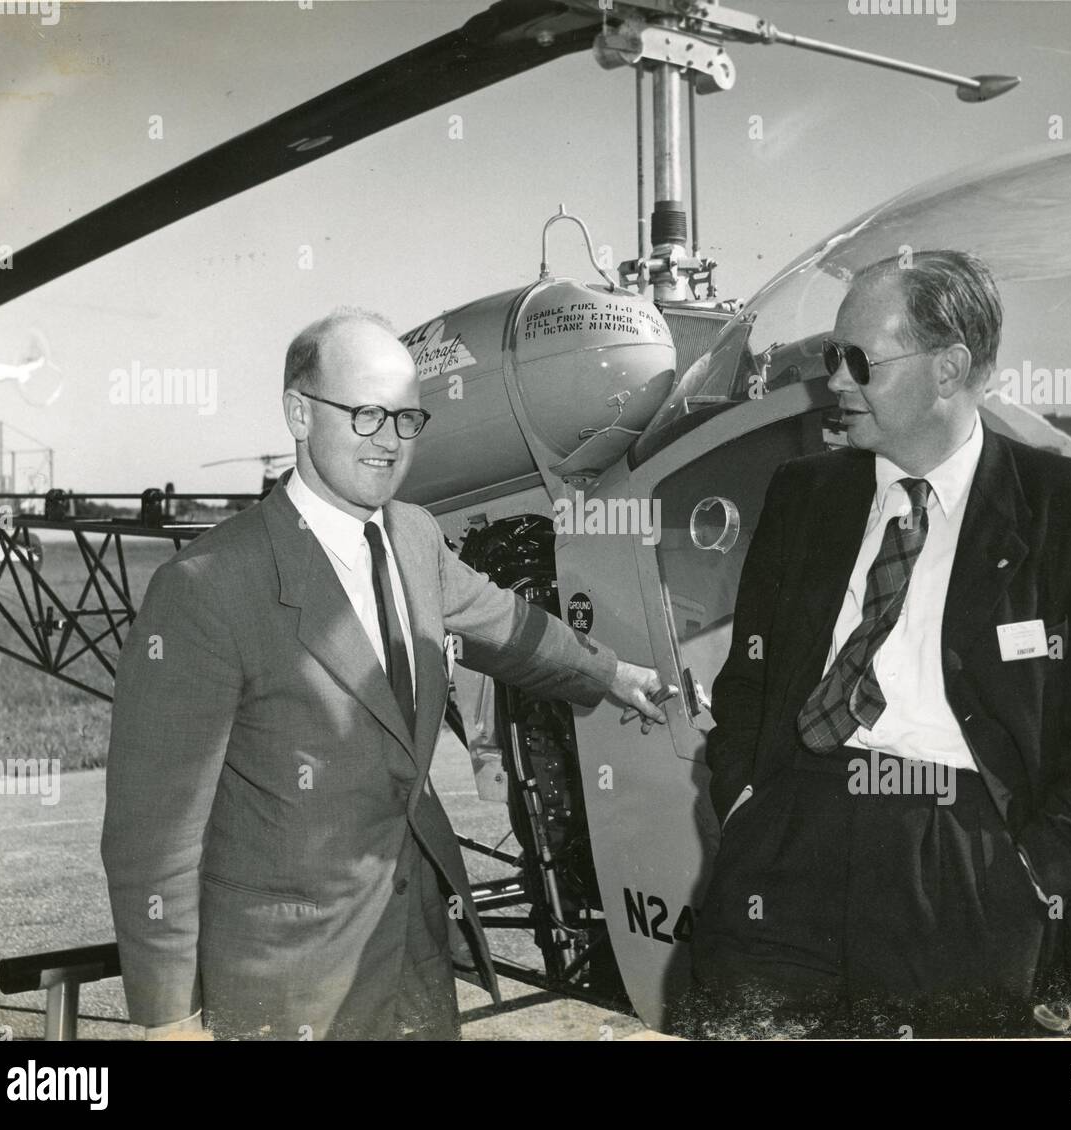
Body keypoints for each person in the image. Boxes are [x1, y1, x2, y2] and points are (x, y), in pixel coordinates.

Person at [101, 308, 668, 1040]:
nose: (390, 442)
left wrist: (612, 673)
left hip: (416, 951)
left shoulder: (413, 534)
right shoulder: (207, 585)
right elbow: (153, 837)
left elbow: (505, 626)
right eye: (366, 415)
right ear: (298, 414)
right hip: (286, 985)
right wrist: (169, 1021)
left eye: (407, 419)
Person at [683, 251, 1071, 1038]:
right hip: (789, 835)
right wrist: (742, 806)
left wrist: (1030, 873)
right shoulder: (803, 495)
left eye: (857, 359)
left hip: (968, 855)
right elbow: (749, 683)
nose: (835, 379)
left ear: (949, 369)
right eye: (832, 356)